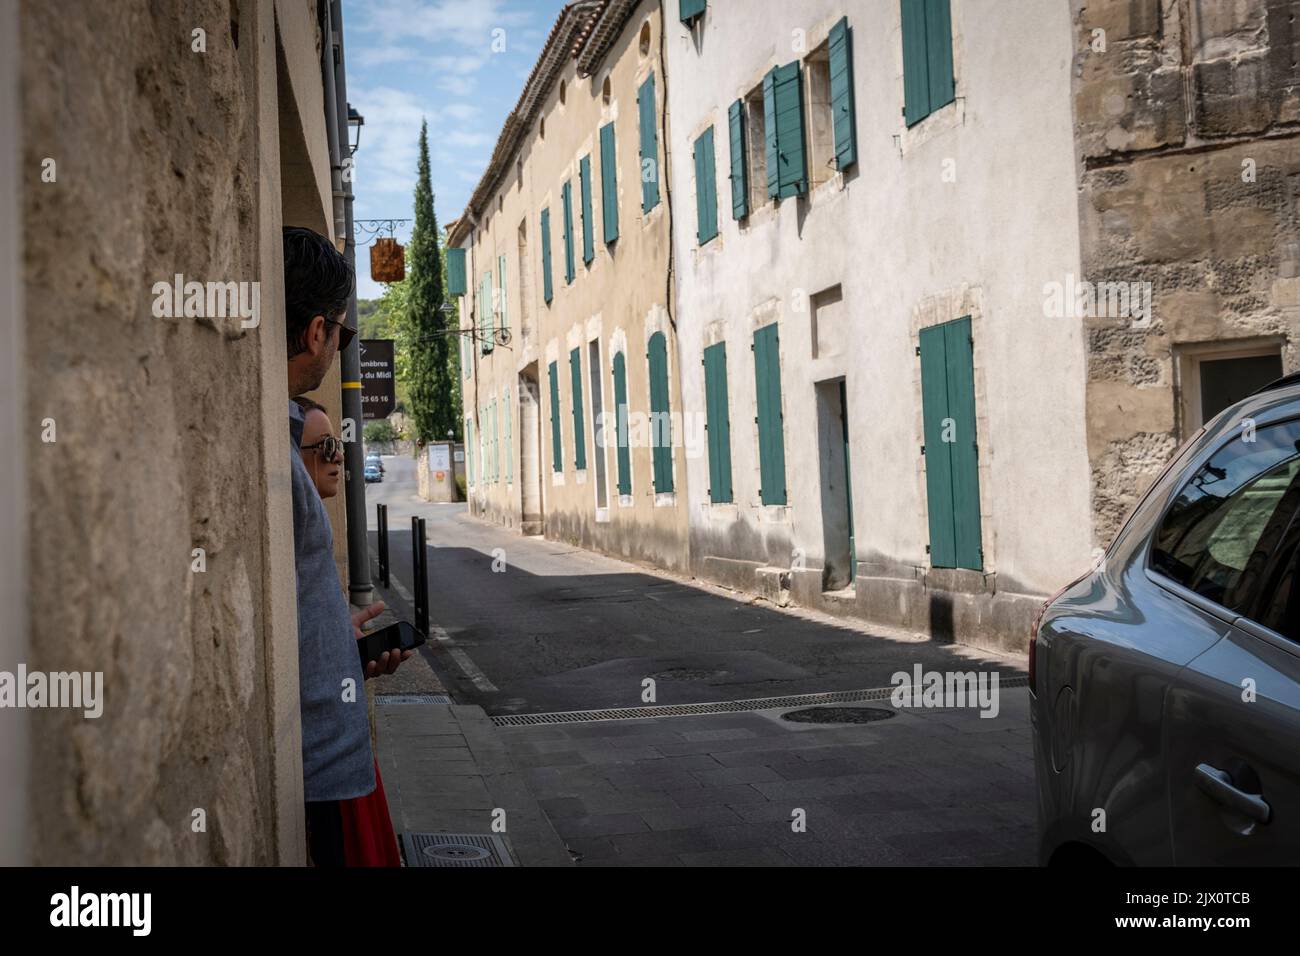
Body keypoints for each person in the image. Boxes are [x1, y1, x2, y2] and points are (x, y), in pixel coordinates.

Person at [283, 226, 408, 866]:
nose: (339, 347)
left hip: (328, 762)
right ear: (315, 333)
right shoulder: (281, 443)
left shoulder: (273, 433)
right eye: (341, 332)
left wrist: (342, 637)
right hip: (325, 774)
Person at [293, 395, 402, 867]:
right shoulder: (294, 522)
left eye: (338, 445)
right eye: (324, 447)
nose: (337, 458)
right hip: (327, 763)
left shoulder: (308, 522)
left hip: (341, 753)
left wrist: (343, 637)